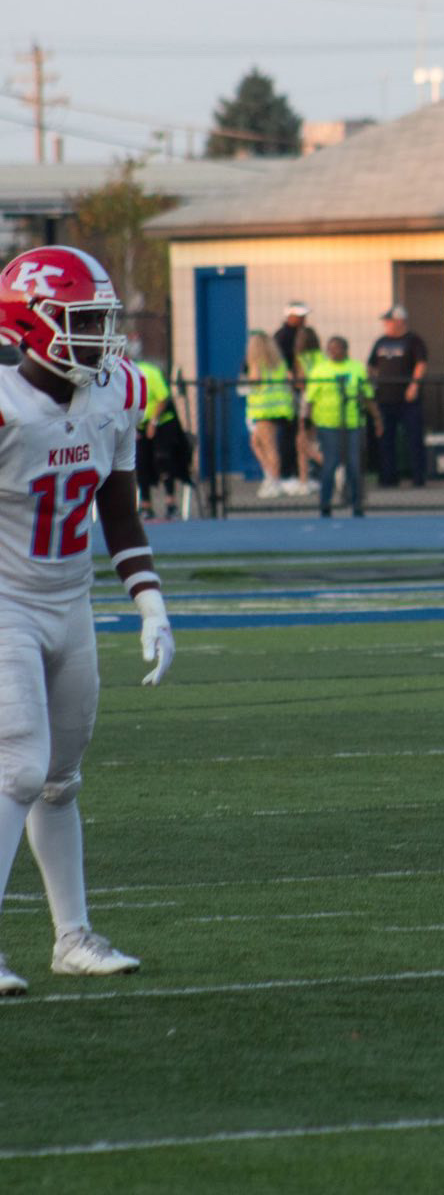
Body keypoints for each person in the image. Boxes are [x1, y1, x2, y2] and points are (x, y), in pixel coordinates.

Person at [0, 245, 175, 996]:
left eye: (101, 320)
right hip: (5, 599)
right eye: (80, 320)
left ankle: (72, 937)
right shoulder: (6, 405)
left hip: (70, 601)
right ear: (27, 324)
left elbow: (118, 505)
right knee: (19, 765)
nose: (99, 337)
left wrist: (150, 601)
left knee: (61, 780)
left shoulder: (117, 391)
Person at [305, 336, 380, 518]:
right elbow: (310, 400)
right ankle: (325, 504)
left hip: (353, 424)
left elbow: (367, 396)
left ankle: (357, 504)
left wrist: (377, 419)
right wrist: (308, 424)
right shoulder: (319, 371)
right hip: (328, 424)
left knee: (354, 465)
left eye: (338, 348)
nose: (334, 352)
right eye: (331, 348)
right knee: (330, 465)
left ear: (346, 350)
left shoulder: (356, 369)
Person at [368, 306, 427, 488]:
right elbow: (372, 365)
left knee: (414, 438)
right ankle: (388, 478)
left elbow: (421, 363)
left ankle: (418, 478)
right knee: (386, 439)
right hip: (385, 398)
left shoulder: (413, 340)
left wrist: (414, 385)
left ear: (400, 321)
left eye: (389, 320)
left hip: (407, 400)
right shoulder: (381, 341)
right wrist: (373, 383)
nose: (386, 324)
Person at [135, 358, 194, 521]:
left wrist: (153, 422)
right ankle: (145, 505)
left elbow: (163, 397)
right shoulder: (118, 378)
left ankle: (171, 504)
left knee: (164, 458)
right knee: (141, 461)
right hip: (139, 423)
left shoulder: (149, 373)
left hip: (163, 423)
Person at [242, 331, 295, 499]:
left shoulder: (257, 364)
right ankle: (271, 476)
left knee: (268, 445)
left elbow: (254, 381)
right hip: (277, 408)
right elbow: (289, 379)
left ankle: (274, 480)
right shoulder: (279, 363)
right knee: (257, 442)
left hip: (265, 409)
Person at [272, 302, 309, 491]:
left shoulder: (303, 334)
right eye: (300, 316)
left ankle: (298, 472)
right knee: (288, 433)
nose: (303, 319)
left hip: (298, 389)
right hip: (288, 392)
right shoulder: (283, 336)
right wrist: (292, 379)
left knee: (299, 433)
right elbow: (283, 363)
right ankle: (287, 473)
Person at [293, 324, 324, 493]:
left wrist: (291, 379)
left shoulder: (302, 358)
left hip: (308, 400)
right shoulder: (322, 357)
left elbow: (300, 382)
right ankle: (305, 479)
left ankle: (326, 465)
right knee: (310, 440)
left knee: (302, 442)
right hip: (323, 401)